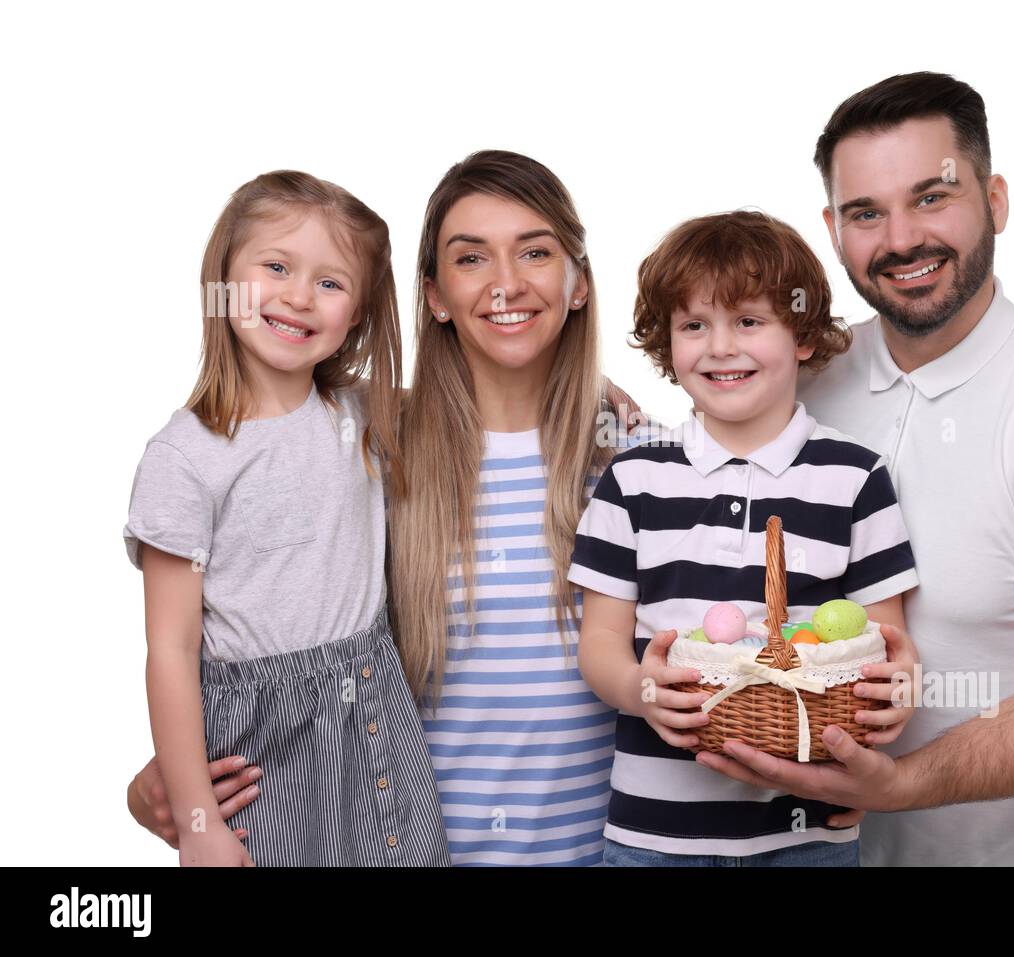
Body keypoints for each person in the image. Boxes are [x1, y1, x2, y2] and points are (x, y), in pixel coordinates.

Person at [701, 72, 1014, 866]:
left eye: (931, 197)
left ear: (996, 200)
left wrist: (899, 783)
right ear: (833, 228)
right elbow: (684, 465)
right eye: (866, 213)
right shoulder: (803, 385)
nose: (900, 239)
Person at [127, 152, 644, 866]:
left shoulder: (635, 459)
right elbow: (200, 640)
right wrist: (177, 792)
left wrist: (600, 392)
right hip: (399, 836)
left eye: (536, 251)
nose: (506, 283)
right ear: (433, 295)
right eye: (472, 258)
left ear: (578, 280)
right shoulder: (383, 439)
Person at [569, 210, 920, 865]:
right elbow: (600, 645)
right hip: (655, 836)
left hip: (806, 833)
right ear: (665, 343)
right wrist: (642, 689)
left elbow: (882, 645)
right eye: (693, 325)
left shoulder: (854, 477)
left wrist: (892, 702)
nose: (720, 347)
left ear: (804, 336)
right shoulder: (634, 477)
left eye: (749, 321)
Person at [122, 170, 449, 866]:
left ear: (358, 314)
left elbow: (477, 397)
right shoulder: (185, 458)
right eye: (276, 266)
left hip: (378, 718)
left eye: (331, 283)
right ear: (223, 276)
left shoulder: (363, 415)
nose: (299, 296)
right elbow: (171, 652)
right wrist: (199, 823)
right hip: (263, 750)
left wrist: (594, 391)